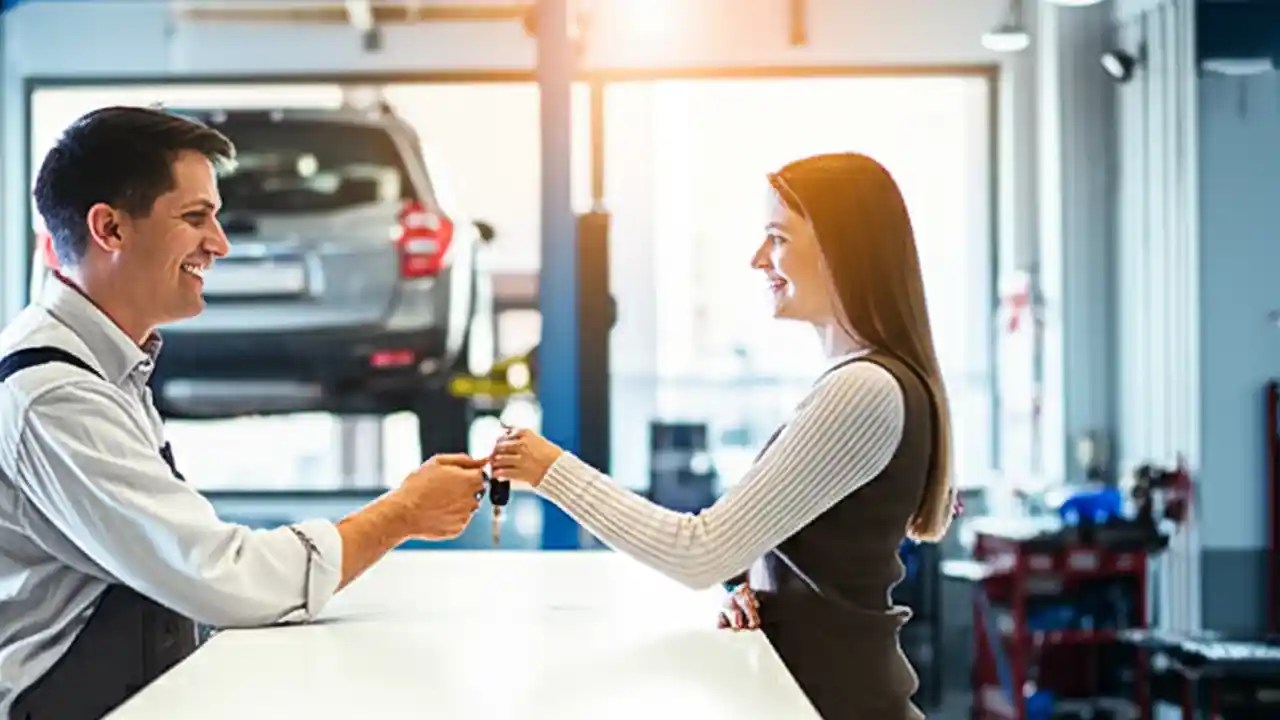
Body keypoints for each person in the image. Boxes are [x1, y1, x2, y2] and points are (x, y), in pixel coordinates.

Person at [0, 106, 487, 720]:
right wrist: (402, 513)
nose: (222, 243)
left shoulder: (106, 366)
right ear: (111, 229)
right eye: (194, 217)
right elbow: (222, 577)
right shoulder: (55, 394)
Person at [491, 152, 955, 719]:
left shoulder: (865, 389)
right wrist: (757, 591)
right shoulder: (863, 382)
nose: (759, 259)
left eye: (777, 238)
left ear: (841, 248)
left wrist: (548, 469)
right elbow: (802, 564)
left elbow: (699, 552)